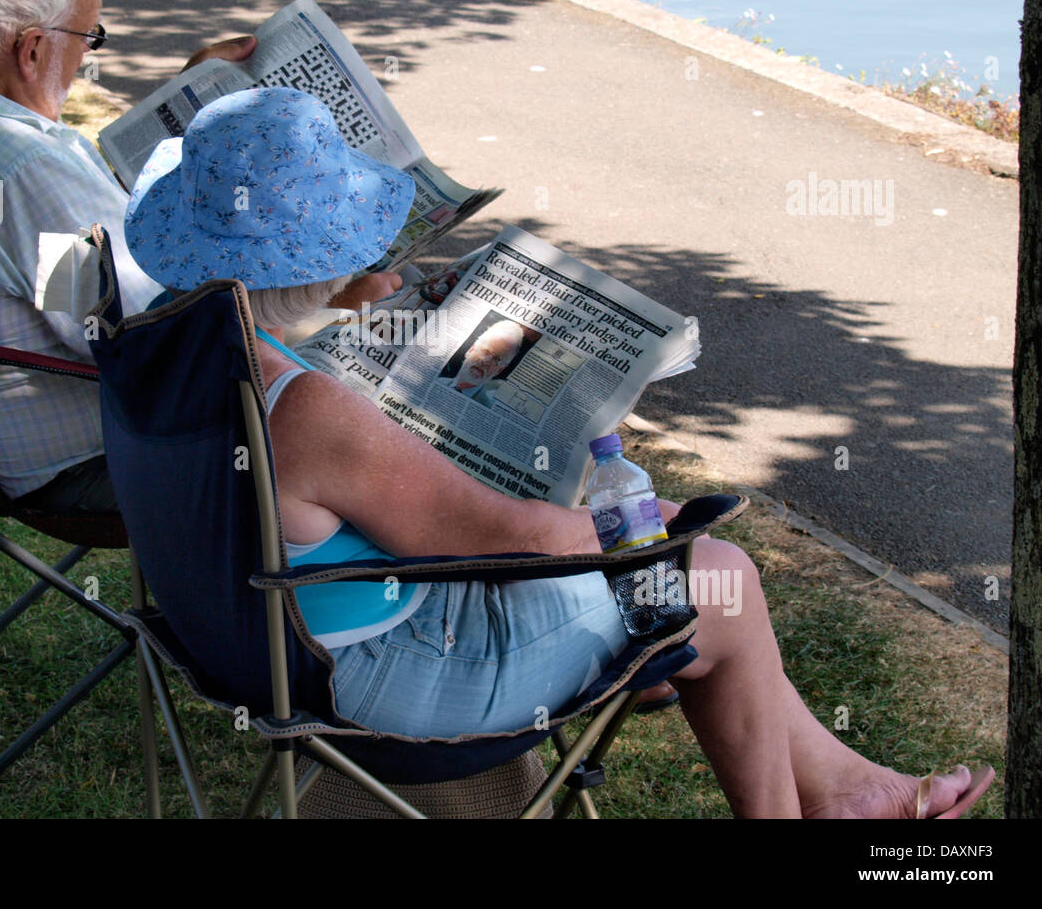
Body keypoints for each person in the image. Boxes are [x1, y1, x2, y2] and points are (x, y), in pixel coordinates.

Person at [124, 85, 995, 819]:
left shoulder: (154, 345)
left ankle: (847, 789)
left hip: (251, 649)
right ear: (324, 258)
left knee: (675, 599)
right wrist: (644, 526)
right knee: (720, 577)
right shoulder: (304, 408)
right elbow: (525, 538)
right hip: (380, 677)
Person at [0, 0, 396, 513]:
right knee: (375, 400)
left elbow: (66, 273)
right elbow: (161, 337)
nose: (87, 53)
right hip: (90, 455)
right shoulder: (23, 171)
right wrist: (331, 305)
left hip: (6, 437)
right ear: (33, 48)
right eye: (89, 35)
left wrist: (198, 112)